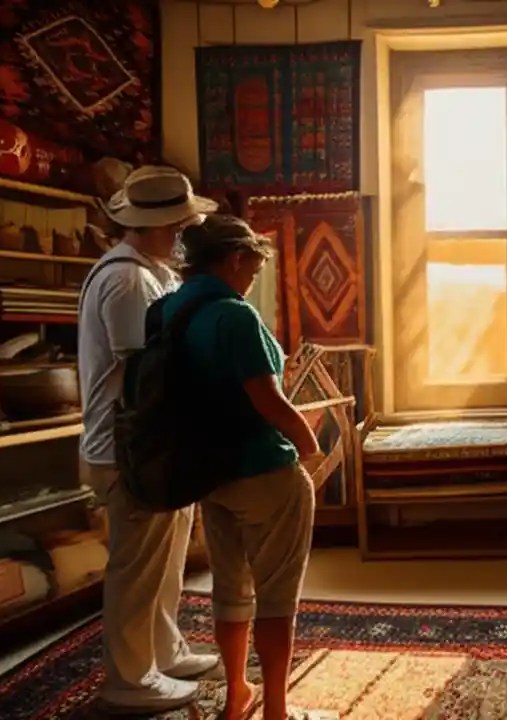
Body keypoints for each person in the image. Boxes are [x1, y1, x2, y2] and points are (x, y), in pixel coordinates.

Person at [155, 214, 332, 720]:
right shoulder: (234, 315)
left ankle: (237, 694)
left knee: (229, 588)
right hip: (263, 470)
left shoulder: (170, 312)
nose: (252, 277)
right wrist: (307, 444)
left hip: (209, 472)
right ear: (235, 259)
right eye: (252, 267)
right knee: (276, 594)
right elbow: (267, 399)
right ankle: (276, 709)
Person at [76, 166, 220, 714]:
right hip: (129, 447)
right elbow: (149, 370)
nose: (186, 233)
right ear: (165, 226)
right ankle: (130, 679)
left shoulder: (146, 271)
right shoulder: (128, 280)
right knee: (136, 568)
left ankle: (163, 649)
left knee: (165, 558)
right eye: (182, 224)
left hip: (152, 443)